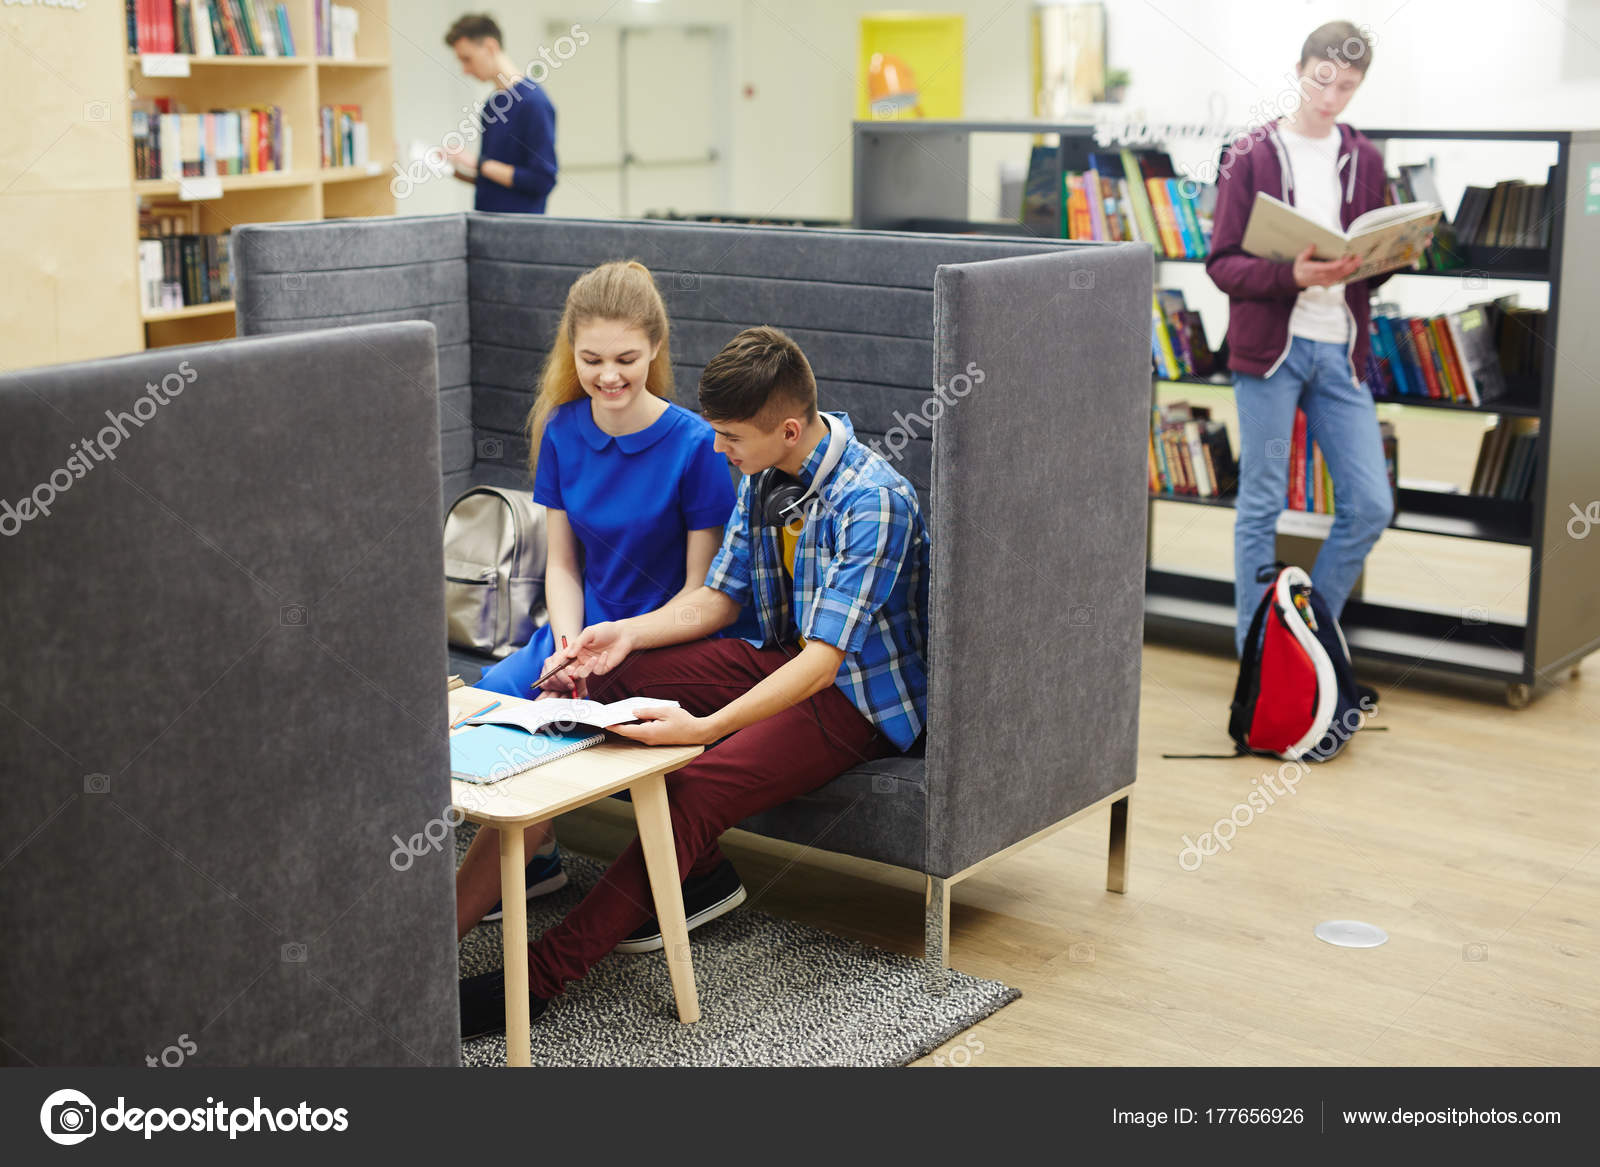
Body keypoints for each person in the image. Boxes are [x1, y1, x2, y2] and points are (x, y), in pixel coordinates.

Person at [458, 326, 931, 1038]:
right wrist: (624, 636)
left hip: (857, 695)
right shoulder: (766, 473)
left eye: (730, 436)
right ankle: (447, 921)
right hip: (782, 656)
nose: (717, 448)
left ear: (790, 428)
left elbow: (824, 662)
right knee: (605, 676)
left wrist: (706, 731)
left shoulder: (873, 502)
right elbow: (718, 599)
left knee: (699, 786)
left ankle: (540, 977)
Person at [454, 260, 740, 938]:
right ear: (571, 353)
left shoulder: (696, 446)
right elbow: (562, 563)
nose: (609, 376)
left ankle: (681, 868)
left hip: (661, 639)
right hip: (578, 630)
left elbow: (700, 597)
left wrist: (607, 652)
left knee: (563, 723)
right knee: (492, 702)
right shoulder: (562, 429)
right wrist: (565, 644)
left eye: (626, 359)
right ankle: (537, 851)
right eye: (591, 360)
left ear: (656, 350)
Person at [1206, 20, 1395, 657]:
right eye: (1323, 80)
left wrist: (1388, 253)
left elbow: (1378, 249)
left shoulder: (1364, 156)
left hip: (1340, 350)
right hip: (1270, 355)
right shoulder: (1252, 154)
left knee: (1369, 504)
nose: (1332, 97)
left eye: (1348, 86)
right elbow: (1222, 264)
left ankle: (1308, 638)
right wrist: (1293, 274)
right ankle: (1257, 655)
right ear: (1300, 69)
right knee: (1261, 504)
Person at [443, 14, 558, 214]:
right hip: (486, 225)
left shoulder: (534, 103)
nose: (465, 70)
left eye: (467, 59)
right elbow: (493, 178)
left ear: (490, 47)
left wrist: (478, 163)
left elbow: (542, 180)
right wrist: (455, 170)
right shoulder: (491, 106)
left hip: (519, 232)